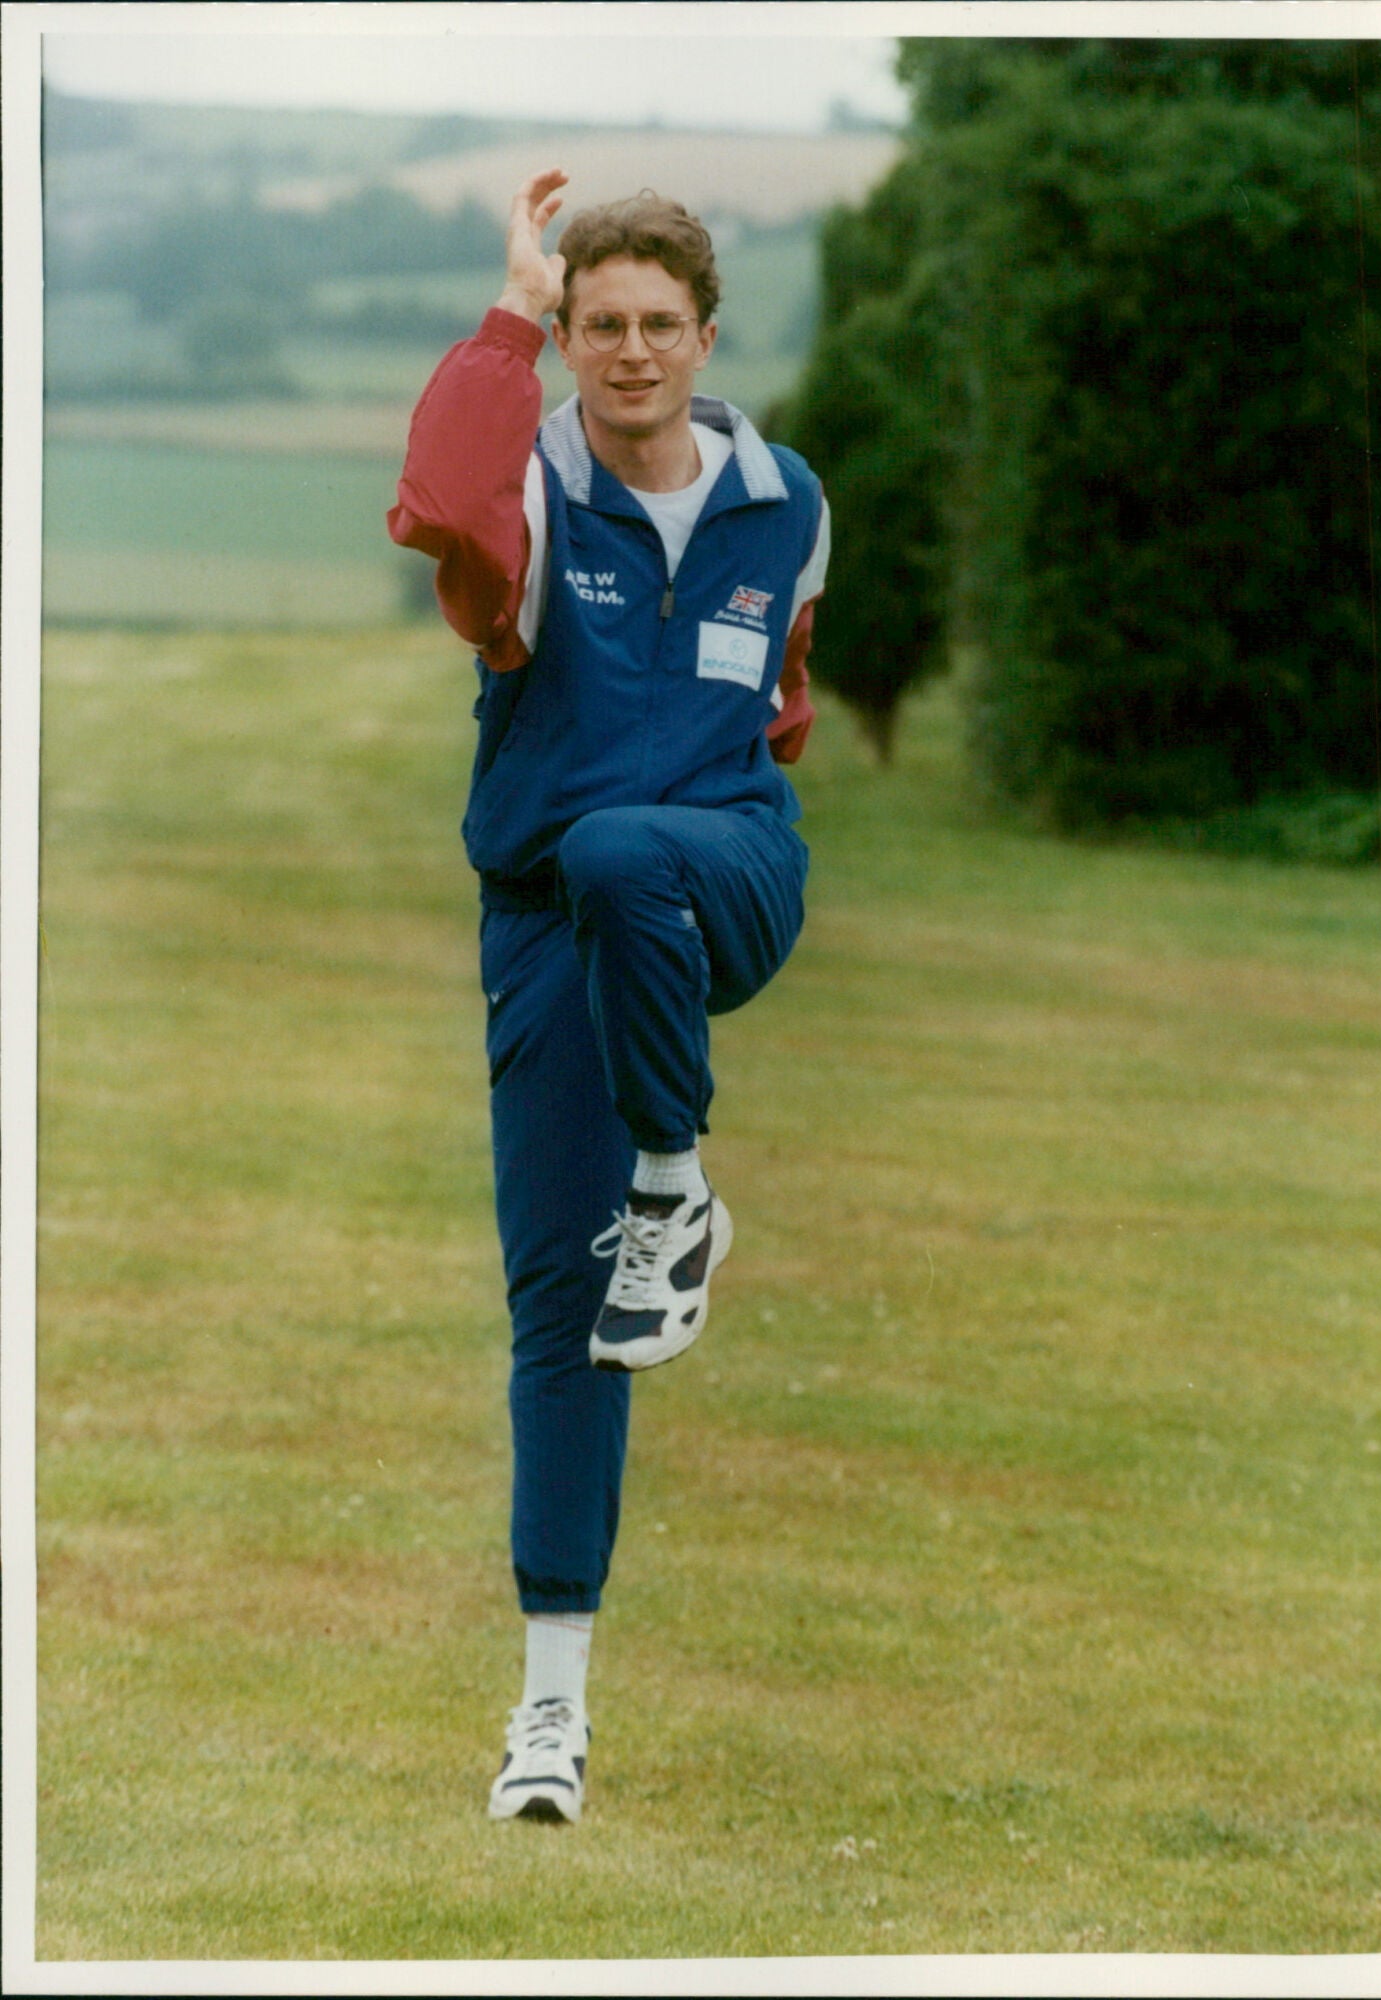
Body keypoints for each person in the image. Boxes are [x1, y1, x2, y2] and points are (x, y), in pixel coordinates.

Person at [387, 167, 830, 1823]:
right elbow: (437, 495)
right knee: (561, 1313)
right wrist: (503, 307)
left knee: (636, 844)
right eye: (595, 327)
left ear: (703, 335)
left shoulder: (787, 501)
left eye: (658, 325)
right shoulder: (528, 498)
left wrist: (713, 799)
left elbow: (780, 695)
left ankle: (673, 1181)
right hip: (547, 924)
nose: (630, 352)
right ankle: (550, 1713)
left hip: (723, 876)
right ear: (565, 340)